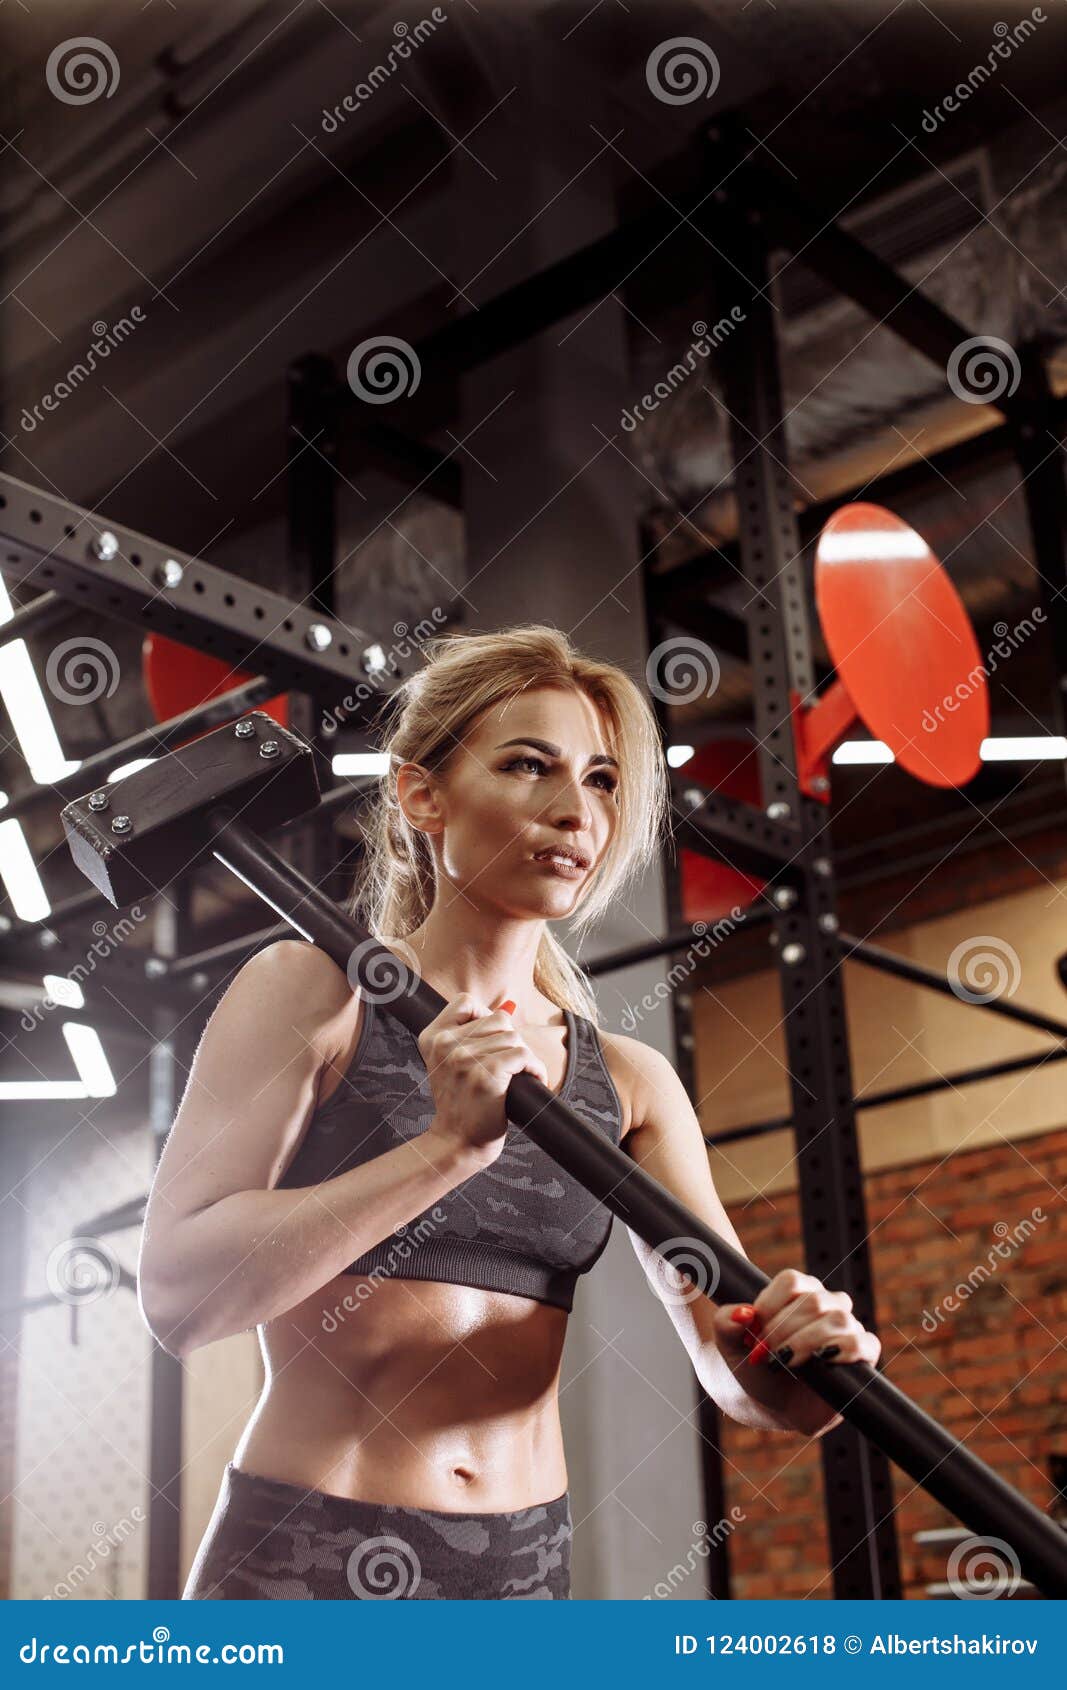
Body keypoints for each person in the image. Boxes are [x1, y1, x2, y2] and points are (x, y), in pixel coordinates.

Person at [138, 624, 881, 1600]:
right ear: (421, 794)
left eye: (603, 780)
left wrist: (812, 1358)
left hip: (523, 1573)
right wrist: (443, 1151)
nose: (574, 809)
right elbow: (179, 1297)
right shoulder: (313, 994)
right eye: (529, 765)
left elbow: (741, 1379)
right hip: (309, 1554)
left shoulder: (626, 1082)